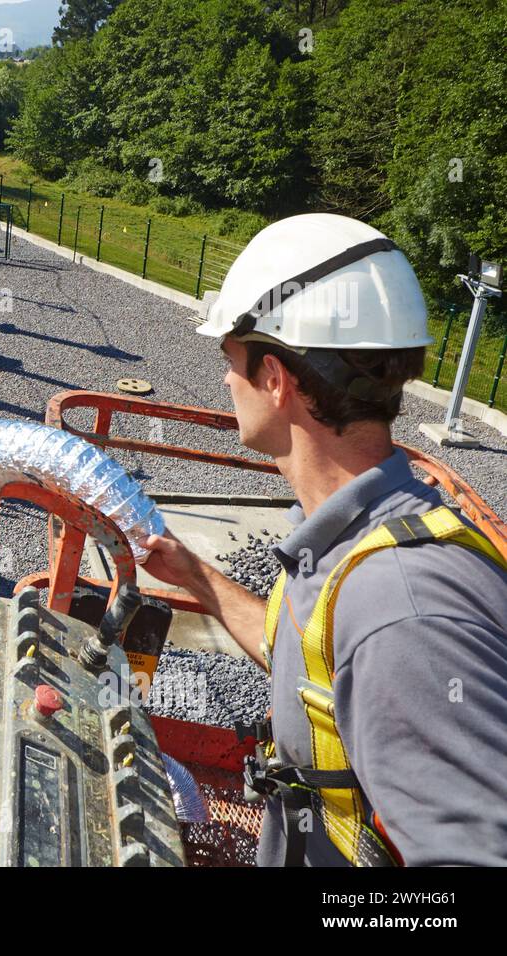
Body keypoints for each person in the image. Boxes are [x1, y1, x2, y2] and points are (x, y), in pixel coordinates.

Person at [143, 213, 507, 866]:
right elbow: (312, 666)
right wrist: (194, 574)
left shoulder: (401, 608)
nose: (226, 381)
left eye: (230, 360)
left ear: (276, 378)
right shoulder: (354, 539)